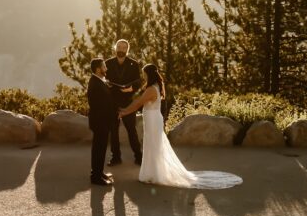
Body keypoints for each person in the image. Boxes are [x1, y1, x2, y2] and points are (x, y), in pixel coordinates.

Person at [120, 63, 241, 190]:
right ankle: (153, 173)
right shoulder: (155, 86)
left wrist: (124, 111)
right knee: (153, 145)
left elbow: (138, 103)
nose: (143, 76)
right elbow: (139, 96)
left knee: (153, 145)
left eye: (144, 74)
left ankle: (154, 174)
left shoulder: (151, 89)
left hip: (152, 119)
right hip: (153, 118)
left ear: (148, 74)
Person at [105, 39, 144, 167]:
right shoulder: (107, 63)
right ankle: (116, 157)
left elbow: (138, 81)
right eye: (119, 47)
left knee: (131, 130)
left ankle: (139, 156)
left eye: (123, 47)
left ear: (127, 50)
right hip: (112, 102)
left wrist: (131, 88)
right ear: (115, 48)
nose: (121, 49)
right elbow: (103, 79)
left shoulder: (134, 63)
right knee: (113, 131)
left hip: (128, 102)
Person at [86, 58, 118, 186]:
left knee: (101, 148)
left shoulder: (98, 81)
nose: (106, 69)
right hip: (100, 122)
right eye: (104, 66)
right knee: (98, 149)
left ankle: (99, 172)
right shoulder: (95, 83)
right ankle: (96, 177)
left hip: (101, 121)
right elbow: (101, 105)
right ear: (98, 69)